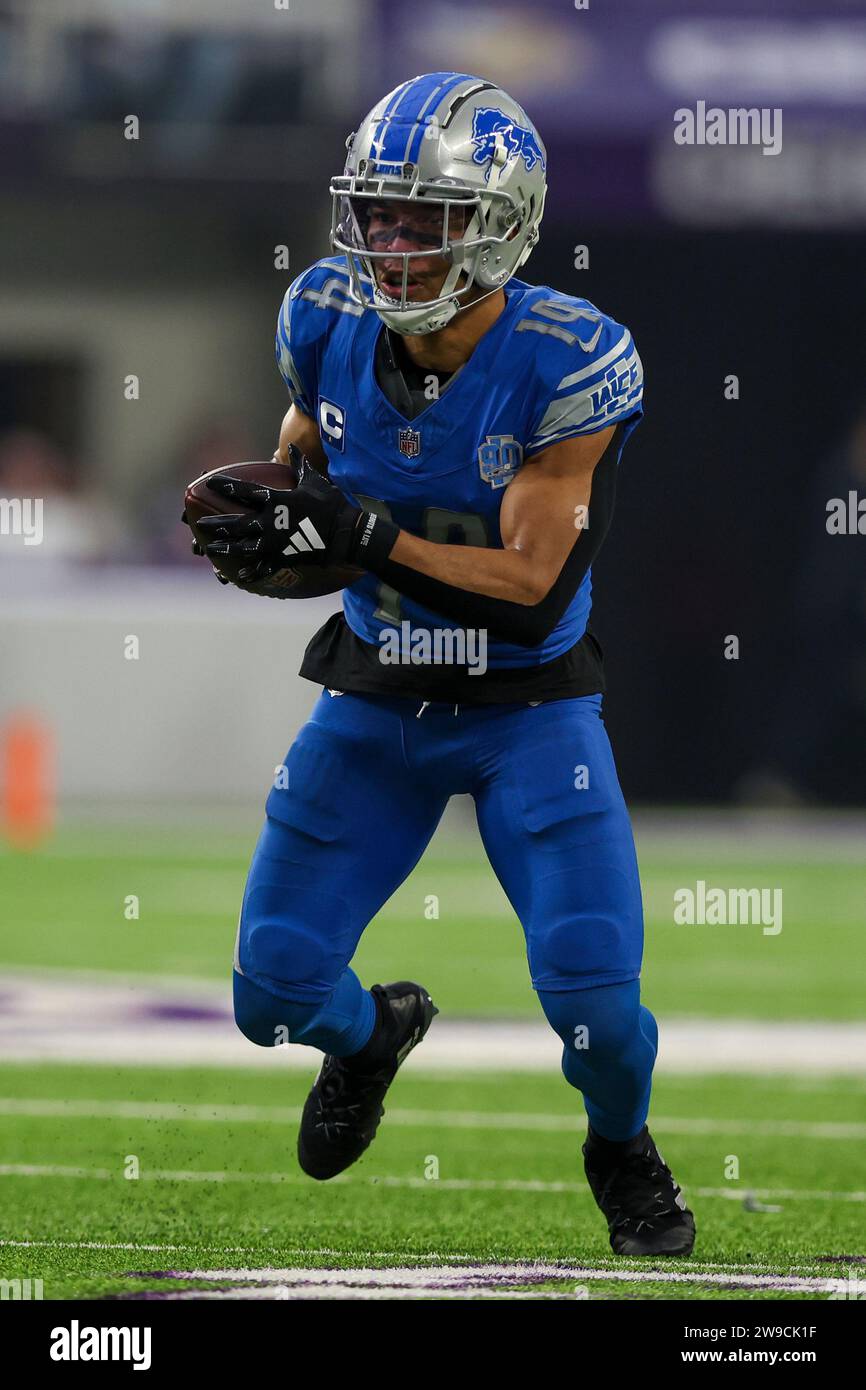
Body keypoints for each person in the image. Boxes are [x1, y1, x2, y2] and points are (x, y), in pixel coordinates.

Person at [190, 72, 694, 1257]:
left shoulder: (569, 358)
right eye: (378, 214)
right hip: (375, 695)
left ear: (503, 220)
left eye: (426, 219)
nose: (394, 244)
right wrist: (272, 543)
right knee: (269, 991)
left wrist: (362, 534)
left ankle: (619, 1145)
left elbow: (529, 593)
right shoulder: (318, 316)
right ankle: (370, 1037)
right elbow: (305, 475)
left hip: (527, 712)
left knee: (594, 1010)